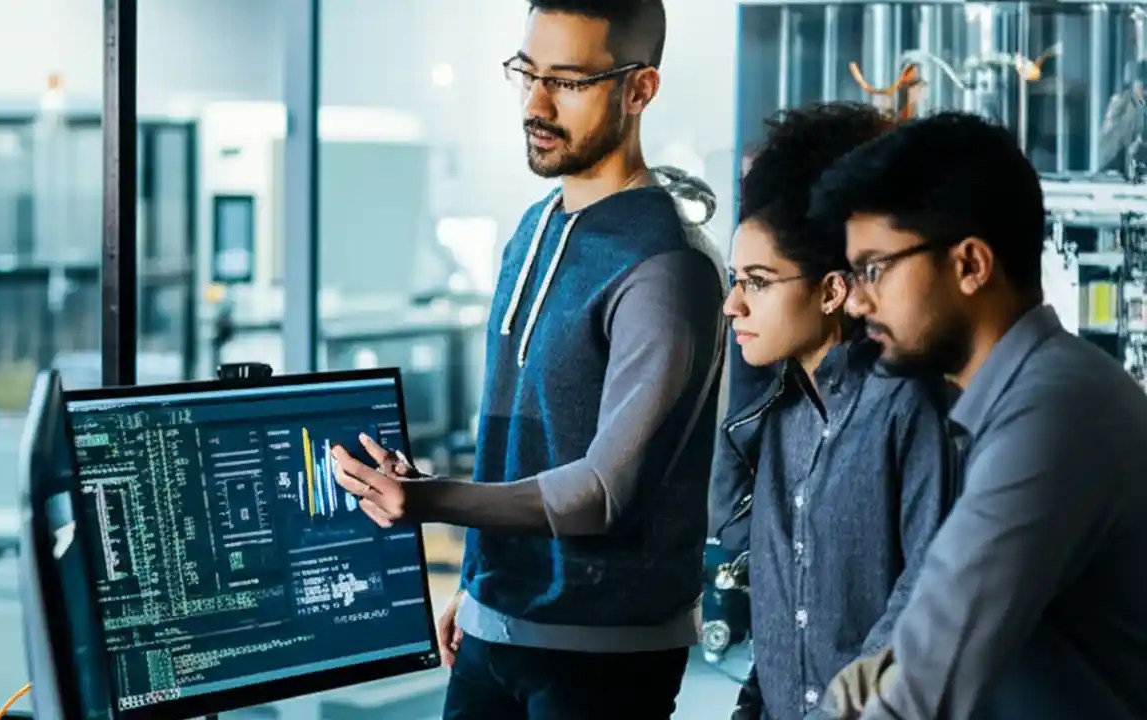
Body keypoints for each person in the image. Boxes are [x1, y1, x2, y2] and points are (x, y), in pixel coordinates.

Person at [330, 1, 727, 718]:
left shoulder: (666, 266)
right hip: (494, 626)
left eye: (568, 82)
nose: (536, 104)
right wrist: (479, 584)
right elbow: (514, 445)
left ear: (640, 90)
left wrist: (427, 500)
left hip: (603, 655)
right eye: (527, 73)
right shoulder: (534, 227)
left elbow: (606, 491)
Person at [808, 112, 1147, 720]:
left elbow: (924, 694)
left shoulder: (1053, 415)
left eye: (874, 269)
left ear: (970, 265)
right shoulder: (1026, 397)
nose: (857, 301)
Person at [710, 102, 958, 720]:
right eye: (735, 280)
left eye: (758, 282)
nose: (732, 306)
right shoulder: (777, 417)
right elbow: (775, 628)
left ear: (833, 289)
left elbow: (925, 604)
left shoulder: (909, 405)